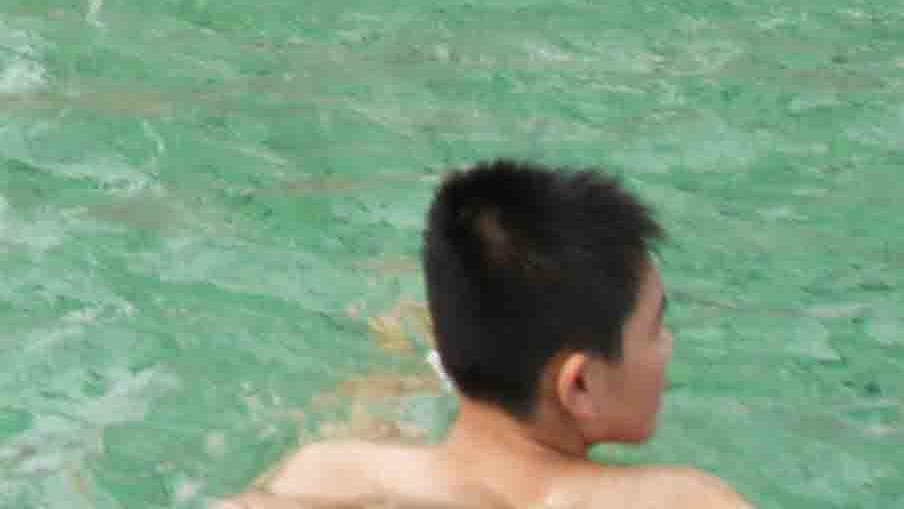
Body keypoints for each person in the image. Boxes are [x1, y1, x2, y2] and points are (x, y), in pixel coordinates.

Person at [246, 161, 749, 506]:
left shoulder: (324, 475)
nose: (667, 345)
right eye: (656, 327)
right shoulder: (680, 501)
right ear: (579, 385)